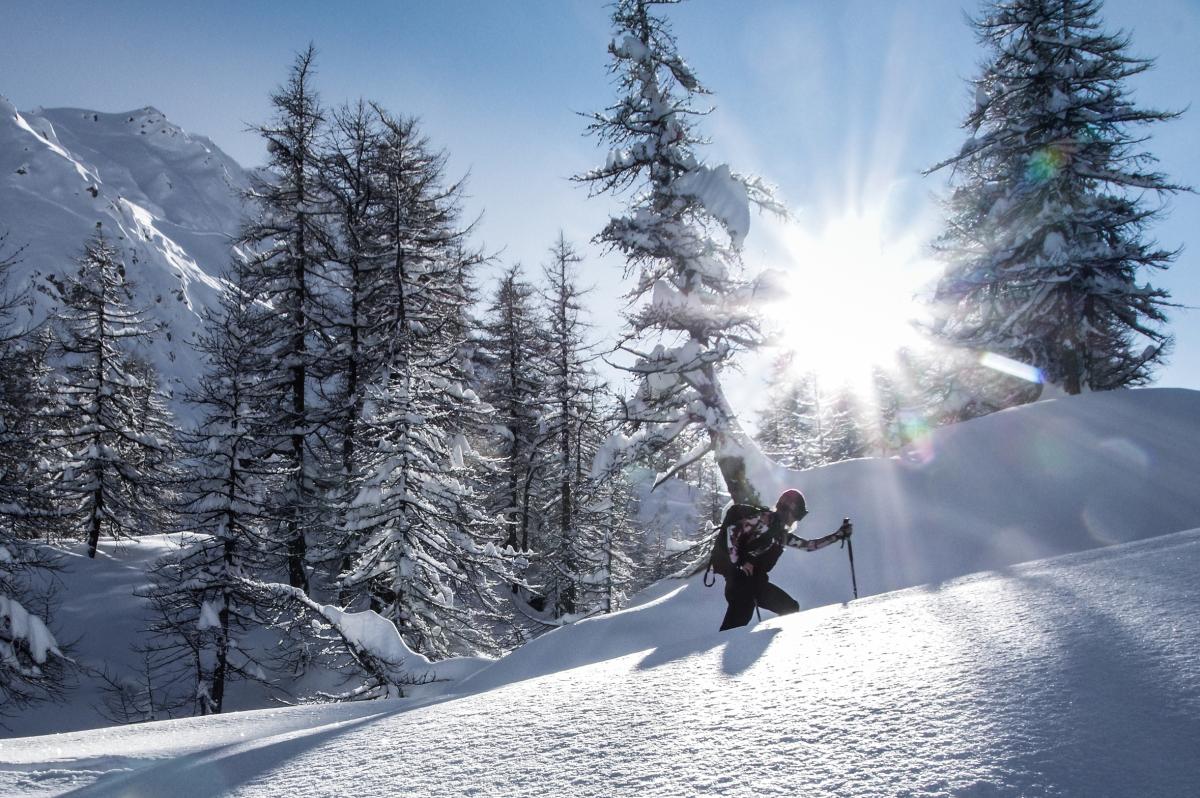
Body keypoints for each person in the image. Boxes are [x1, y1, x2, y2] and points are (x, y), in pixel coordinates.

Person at [718, 489, 852, 631]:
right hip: (740, 585)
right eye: (797, 515)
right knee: (736, 623)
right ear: (787, 510)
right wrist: (740, 561)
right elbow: (732, 531)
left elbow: (809, 546)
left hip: (757, 585)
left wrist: (838, 535)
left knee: (790, 607)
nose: (795, 520)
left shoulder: (782, 535)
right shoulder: (763, 519)